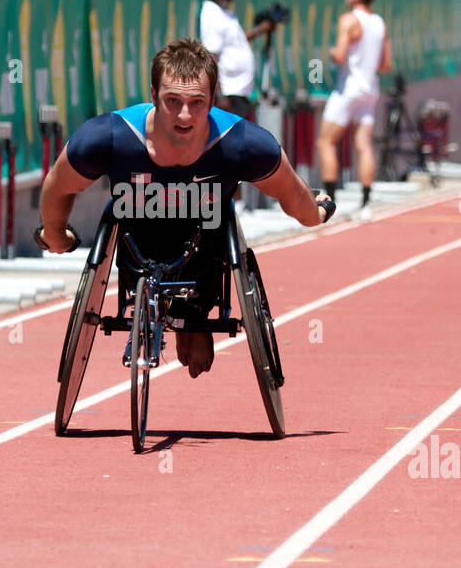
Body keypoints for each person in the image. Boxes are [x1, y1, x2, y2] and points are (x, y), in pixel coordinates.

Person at [36, 38, 335, 378]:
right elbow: (58, 186)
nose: (184, 115)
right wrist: (56, 234)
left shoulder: (242, 143)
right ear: (152, 96)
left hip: (205, 242)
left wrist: (315, 214)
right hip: (137, 236)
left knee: (216, 224)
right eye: (172, 101)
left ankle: (194, 318)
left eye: (196, 103)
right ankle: (161, 312)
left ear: (212, 102)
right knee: (129, 223)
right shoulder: (108, 136)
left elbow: (293, 196)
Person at [317, 0, 391, 208]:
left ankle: (330, 200)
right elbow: (385, 65)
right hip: (370, 88)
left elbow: (339, 55)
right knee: (363, 144)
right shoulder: (380, 23)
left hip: (349, 87)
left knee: (325, 142)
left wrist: (331, 52)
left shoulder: (349, 20)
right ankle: (366, 201)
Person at [198, 0, 275, 121]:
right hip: (228, 93)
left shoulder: (225, 13)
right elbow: (210, 56)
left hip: (238, 92)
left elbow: (235, 42)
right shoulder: (212, 14)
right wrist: (219, 95)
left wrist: (260, 30)